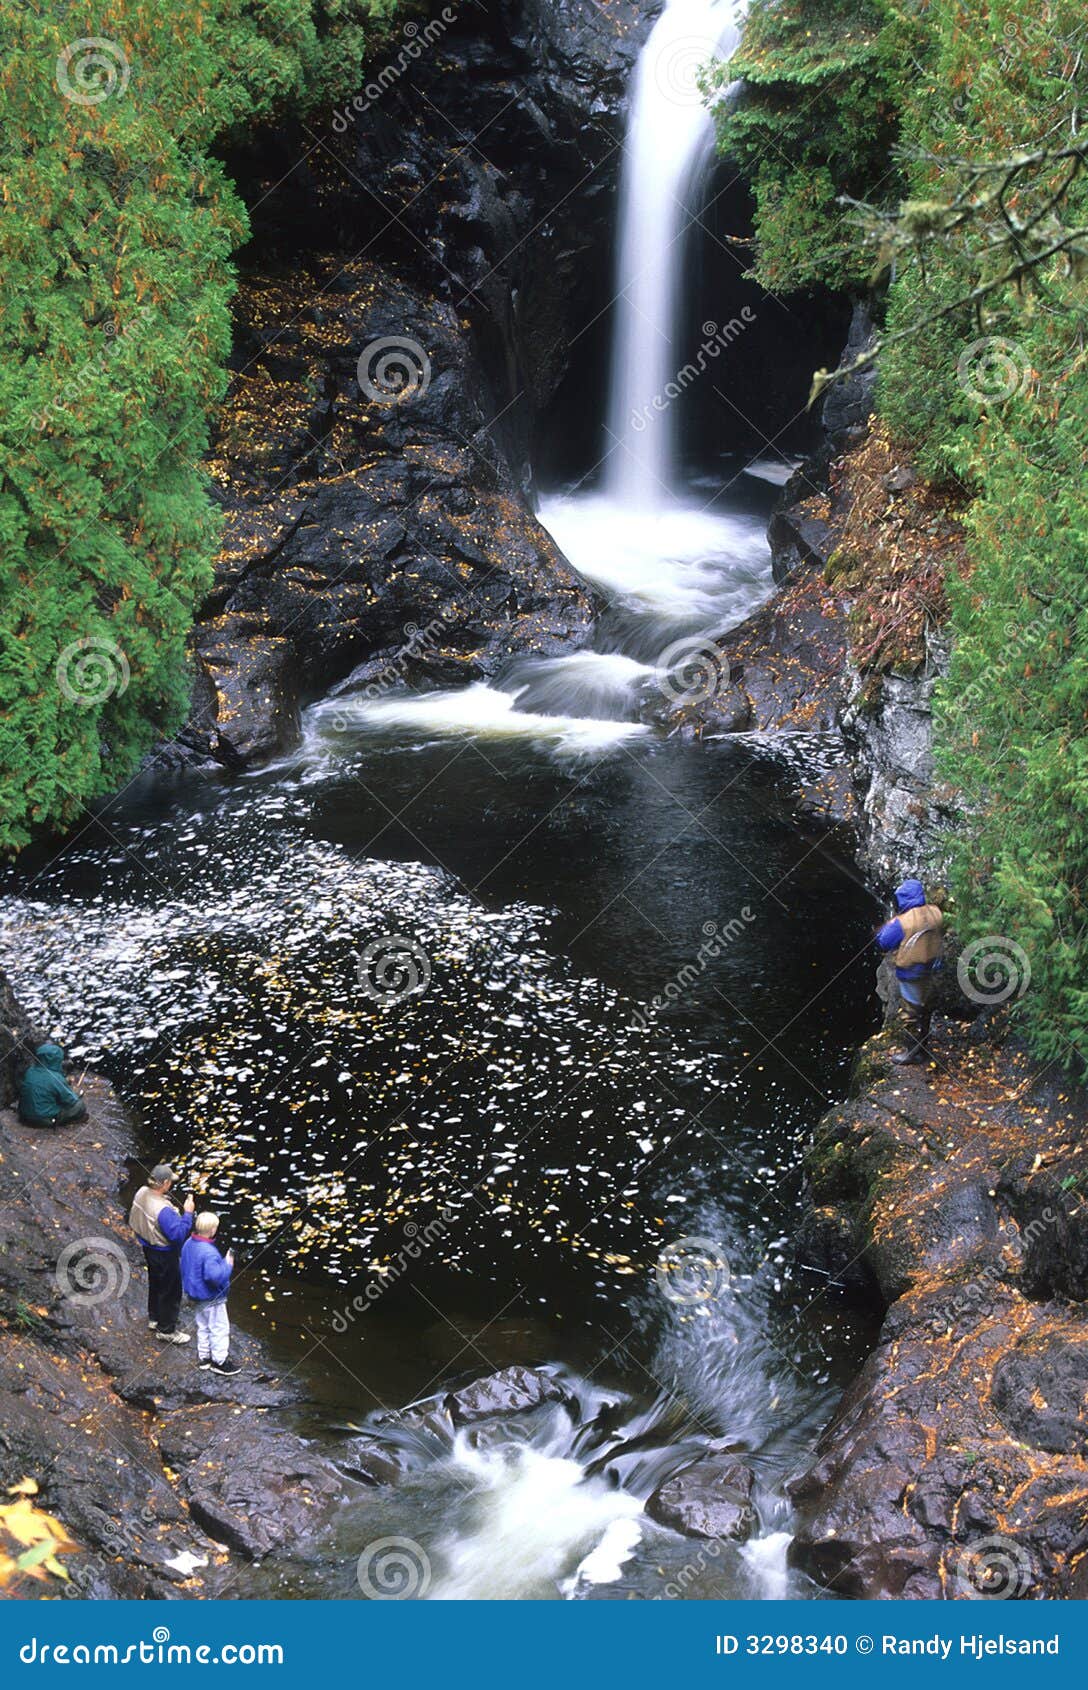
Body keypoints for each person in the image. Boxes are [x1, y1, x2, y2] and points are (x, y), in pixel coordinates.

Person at [875, 877, 945, 1066]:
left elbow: (883, 942)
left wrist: (887, 926)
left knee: (910, 1013)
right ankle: (922, 1047)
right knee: (926, 1009)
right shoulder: (936, 912)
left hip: (912, 973)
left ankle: (913, 1053)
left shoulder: (902, 922)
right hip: (933, 970)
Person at [128, 1164, 194, 1345]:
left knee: (156, 1283)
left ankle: (155, 1318)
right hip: (164, 1254)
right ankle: (166, 1330)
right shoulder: (163, 1211)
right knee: (171, 1291)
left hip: (148, 1248)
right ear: (164, 1183)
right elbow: (178, 1236)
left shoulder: (142, 1192)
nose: (171, 1185)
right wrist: (188, 1214)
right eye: (170, 1182)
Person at [181, 1213, 239, 1376]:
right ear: (213, 1230)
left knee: (203, 1326)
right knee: (219, 1328)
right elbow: (214, 1277)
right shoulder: (209, 1252)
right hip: (211, 1297)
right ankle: (219, 1362)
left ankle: (204, 1358)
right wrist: (227, 1264)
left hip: (195, 1295)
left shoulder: (188, 1244)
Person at [17, 1041, 87, 1126]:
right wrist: (76, 1095)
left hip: (24, 1115)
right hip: (44, 1119)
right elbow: (71, 1101)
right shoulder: (56, 1078)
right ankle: (61, 1122)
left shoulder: (30, 1071)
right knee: (80, 1105)